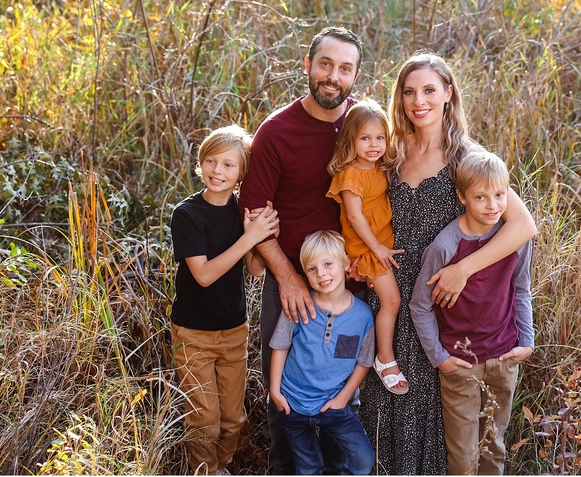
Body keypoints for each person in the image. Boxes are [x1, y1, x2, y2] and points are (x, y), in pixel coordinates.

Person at [358, 51, 538, 475]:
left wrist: (463, 269)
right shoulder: (390, 152)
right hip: (390, 297)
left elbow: (523, 226)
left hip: (442, 302)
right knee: (391, 398)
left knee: (445, 411)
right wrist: (358, 259)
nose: (418, 101)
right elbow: (360, 210)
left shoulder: (466, 157)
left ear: (447, 94)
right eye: (408, 92)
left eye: (429, 91)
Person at [237, 26, 364, 474]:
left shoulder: (362, 126)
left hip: (351, 285)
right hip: (291, 282)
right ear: (308, 66)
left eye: (345, 69)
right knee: (289, 396)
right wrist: (287, 277)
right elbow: (252, 209)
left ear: (356, 76)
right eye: (325, 64)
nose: (333, 76)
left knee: (343, 391)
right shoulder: (277, 131)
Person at [409, 151, 534, 475]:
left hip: (503, 357)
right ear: (461, 196)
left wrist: (527, 342)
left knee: (494, 446)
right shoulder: (445, 247)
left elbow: (520, 289)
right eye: (481, 197)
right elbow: (420, 305)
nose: (493, 205)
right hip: (461, 365)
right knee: (463, 456)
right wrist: (440, 357)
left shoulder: (513, 241)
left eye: (499, 195)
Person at [170, 125, 279, 475]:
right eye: (211, 161)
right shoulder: (187, 215)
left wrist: (262, 234)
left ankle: (221, 466)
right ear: (200, 164)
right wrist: (250, 239)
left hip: (234, 330)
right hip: (193, 333)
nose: (218, 171)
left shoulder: (241, 211)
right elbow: (203, 275)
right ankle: (203, 470)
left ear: (242, 172)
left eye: (229, 165)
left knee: (233, 419)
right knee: (205, 420)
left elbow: (255, 270)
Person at [269, 230, 376, 475]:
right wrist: (275, 391)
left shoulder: (362, 315)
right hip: (293, 404)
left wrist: (342, 400)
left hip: (334, 405)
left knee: (363, 461)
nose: (321, 274)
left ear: (346, 263)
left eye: (328, 264)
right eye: (312, 269)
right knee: (309, 468)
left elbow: (364, 362)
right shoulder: (300, 305)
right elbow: (280, 345)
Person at [326, 100, 408, 395]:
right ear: (351, 140)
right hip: (367, 249)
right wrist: (377, 250)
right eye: (365, 138)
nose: (374, 145)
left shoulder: (379, 168)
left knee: (386, 302)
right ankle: (384, 358)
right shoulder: (351, 175)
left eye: (380, 138)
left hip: (380, 245)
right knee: (392, 301)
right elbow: (355, 217)